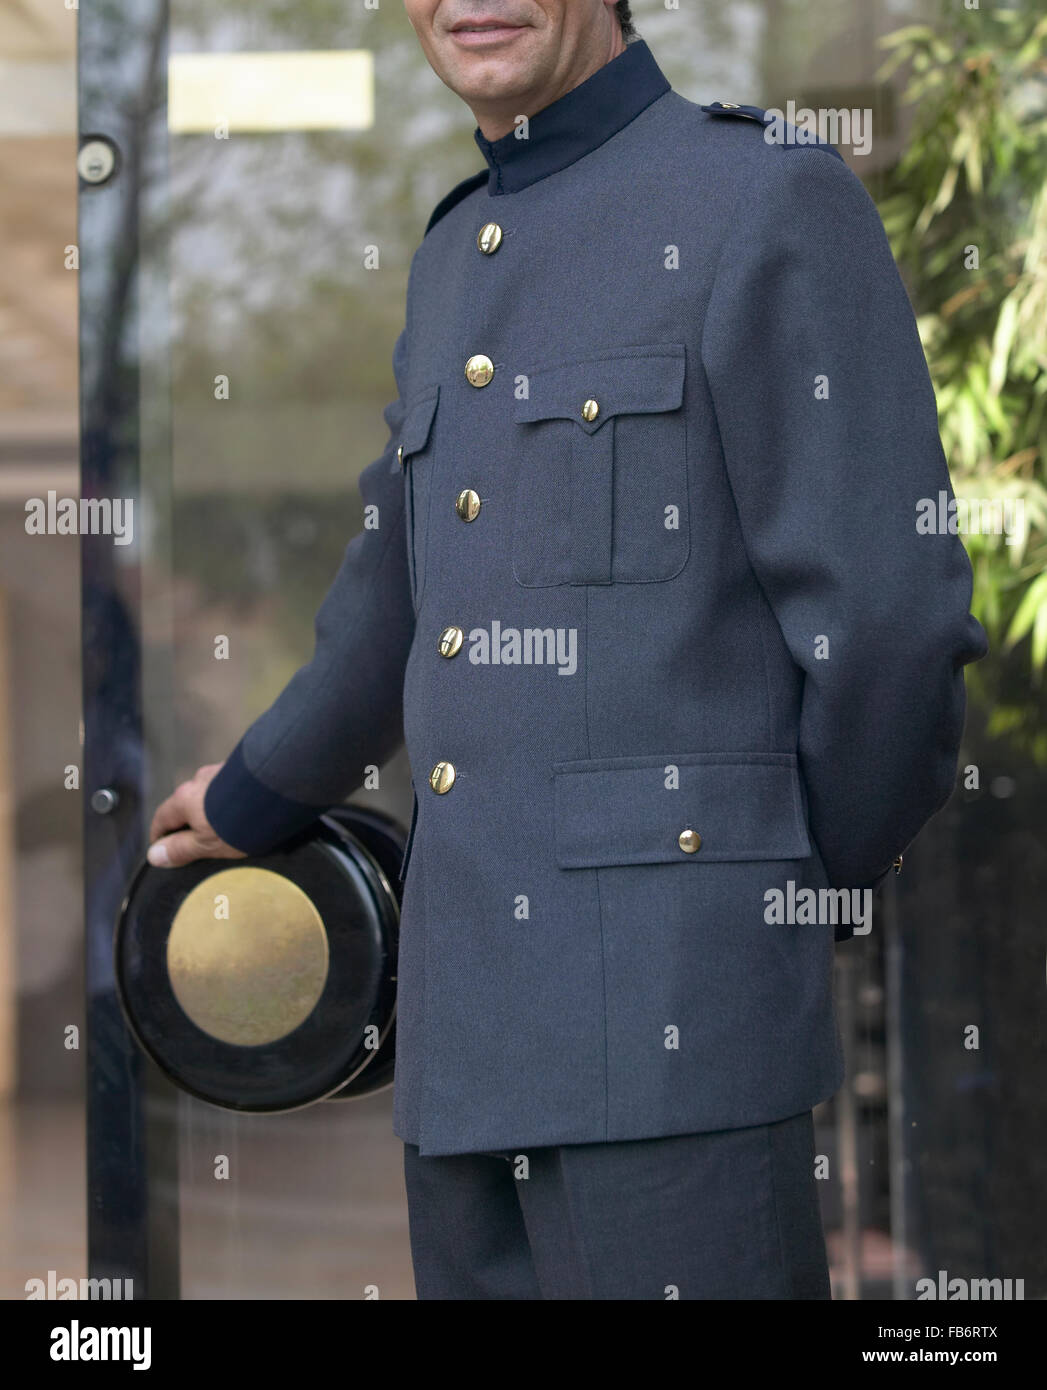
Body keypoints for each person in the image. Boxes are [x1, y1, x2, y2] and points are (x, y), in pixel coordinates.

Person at [148, 0, 988, 1299]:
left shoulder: (762, 197)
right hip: (462, 1044)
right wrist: (255, 793)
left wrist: (771, 887)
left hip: (680, 1045)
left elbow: (890, 625)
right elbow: (396, 591)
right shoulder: (450, 253)